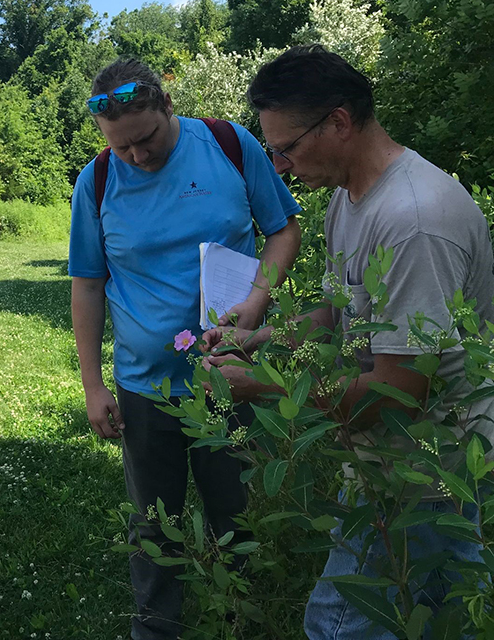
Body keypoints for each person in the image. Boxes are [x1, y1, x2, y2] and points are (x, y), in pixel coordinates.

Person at [204, 44, 494, 638]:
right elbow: (342, 312)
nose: (280, 166)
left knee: (338, 626)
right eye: (273, 150)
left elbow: (397, 389)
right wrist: (262, 337)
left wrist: (259, 386)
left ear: (339, 121)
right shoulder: (350, 195)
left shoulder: (415, 220)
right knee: (442, 615)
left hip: (431, 466)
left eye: (287, 148)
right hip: (391, 460)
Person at [68, 57, 302, 639]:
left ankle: (238, 622)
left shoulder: (228, 143)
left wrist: (256, 301)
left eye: (145, 139)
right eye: (122, 147)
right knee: (155, 525)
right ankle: (155, 628)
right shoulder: (96, 181)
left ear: (168, 108)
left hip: (230, 378)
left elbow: (283, 229)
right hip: (145, 387)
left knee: (236, 515)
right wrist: (94, 385)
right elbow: (88, 284)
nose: (137, 157)